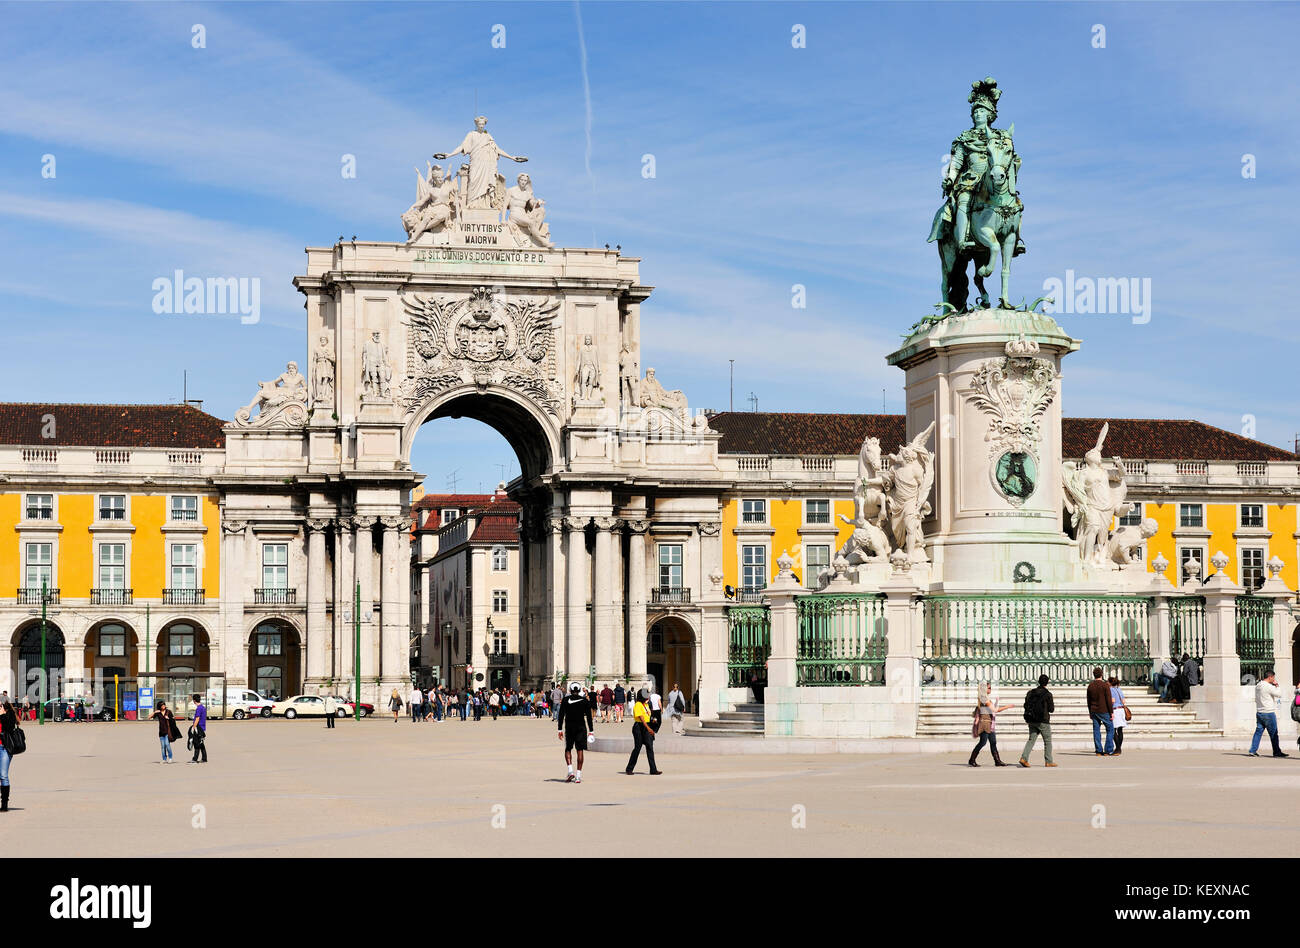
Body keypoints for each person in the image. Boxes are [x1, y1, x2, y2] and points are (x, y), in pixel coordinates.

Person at [557, 682, 594, 784]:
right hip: (581, 727)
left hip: (569, 727)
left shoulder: (565, 700)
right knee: (580, 750)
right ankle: (578, 776)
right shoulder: (584, 701)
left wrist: (559, 729)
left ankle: (570, 770)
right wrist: (591, 731)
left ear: (570, 690)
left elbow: (561, 716)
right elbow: (589, 717)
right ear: (579, 690)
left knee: (568, 748)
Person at [968, 681, 1011, 767]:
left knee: (993, 742)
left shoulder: (985, 698)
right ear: (984, 689)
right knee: (982, 742)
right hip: (985, 724)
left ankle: (997, 761)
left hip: (989, 723)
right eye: (989, 688)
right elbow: (995, 710)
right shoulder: (984, 699)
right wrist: (1008, 706)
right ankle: (972, 759)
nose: (990, 689)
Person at [1018, 674, 1056, 768]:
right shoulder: (1048, 694)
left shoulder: (1030, 692)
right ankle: (1049, 761)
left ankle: (1024, 758)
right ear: (1047, 683)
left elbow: (1026, 704)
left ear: (1038, 681)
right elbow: (1051, 709)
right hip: (1043, 721)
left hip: (1031, 719)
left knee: (1031, 739)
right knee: (1047, 741)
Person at [1249, 669, 1289, 758]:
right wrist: (1277, 685)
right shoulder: (1268, 686)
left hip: (1259, 712)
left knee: (1258, 732)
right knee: (1274, 733)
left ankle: (1252, 750)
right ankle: (1277, 752)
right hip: (1268, 713)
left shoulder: (1258, 685)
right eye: (1273, 677)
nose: (1274, 679)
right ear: (1270, 677)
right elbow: (1279, 694)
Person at [625, 689, 663, 776]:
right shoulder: (638, 705)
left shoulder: (646, 704)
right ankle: (629, 769)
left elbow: (647, 716)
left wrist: (652, 721)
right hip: (639, 727)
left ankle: (653, 769)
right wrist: (649, 729)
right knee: (637, 748)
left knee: (650, 747)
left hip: (647, 726)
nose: (648, 696)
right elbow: (641, 718)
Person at [1086, 667, 1115, 756]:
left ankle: (1098, 750)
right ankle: (1108, 749)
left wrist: (1090, 712)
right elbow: (1108, 700)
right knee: (1110, 729)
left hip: (1094, 710)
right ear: (1101, 674)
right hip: (1104, 710)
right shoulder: (1105, 685)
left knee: (1096, 730)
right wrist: (1111, 712)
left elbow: (1088, 700)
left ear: (1094, 675)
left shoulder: (1090, 686)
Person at [0, 697, 18, 811]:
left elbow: (9, 727)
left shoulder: (10, 713)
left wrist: (2, 715)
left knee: (3, 775)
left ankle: (4, 804)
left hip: (5, 748)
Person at [1108, 676, 1128, 757]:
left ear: (1110, 683)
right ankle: (1119, 748)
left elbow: (1112, 701)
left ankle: (1118, 748)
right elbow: (1123, 701)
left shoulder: (1111, 689)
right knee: (1120, 730)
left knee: (1113, 730)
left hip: (1115, 710)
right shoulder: (1119, 689)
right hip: (1121, 710)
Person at [189, 693, 208, 763]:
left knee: (196, 743)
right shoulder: (203, 707)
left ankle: (195, 759)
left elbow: (197, 718)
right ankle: (204, 758)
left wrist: (193, 727)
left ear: (194, 701)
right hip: (202, 727)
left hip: (198, 728)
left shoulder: (198, 708)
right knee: (201, 743)